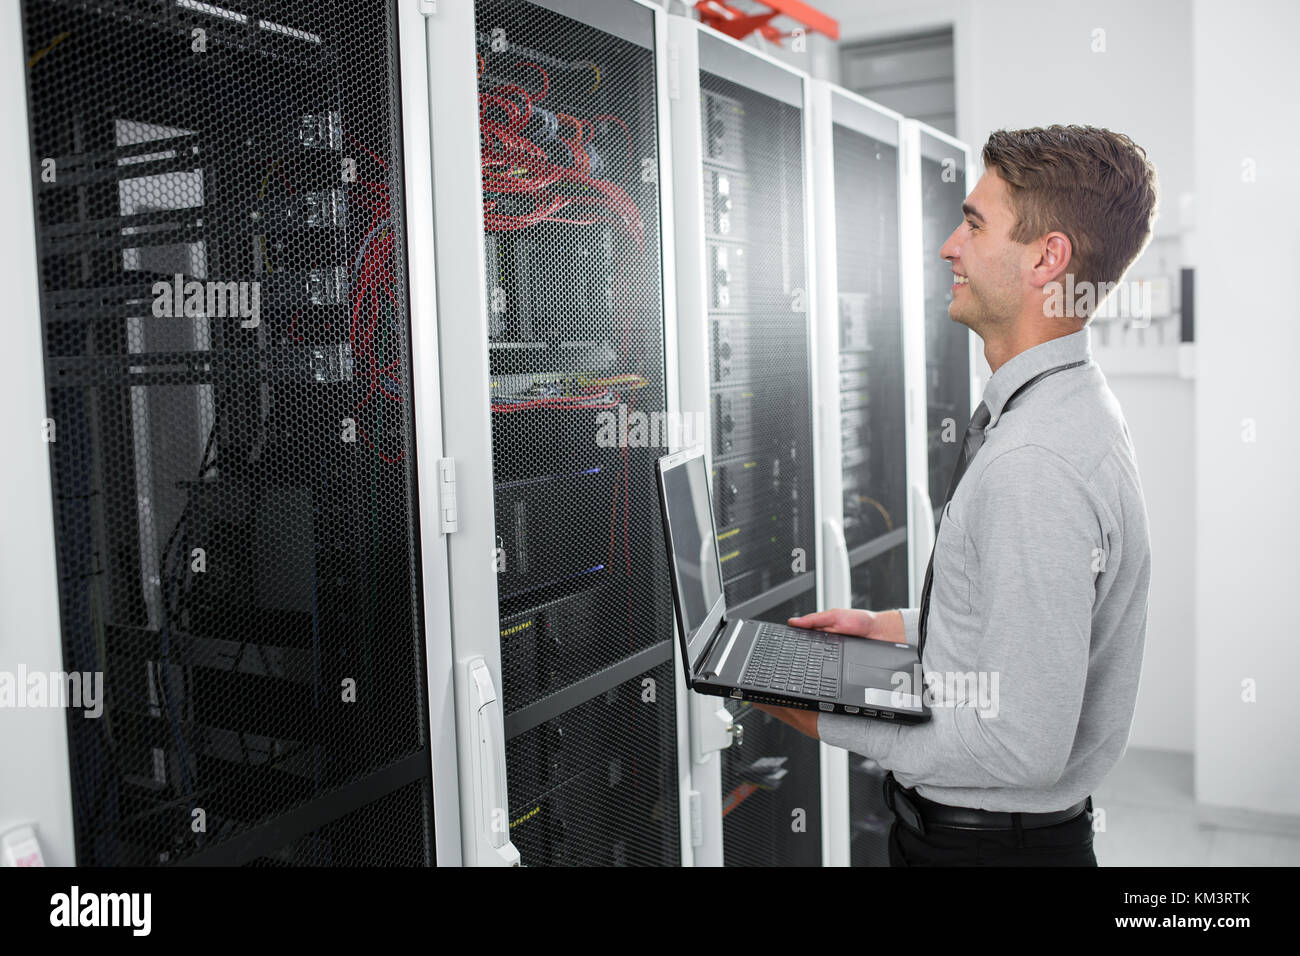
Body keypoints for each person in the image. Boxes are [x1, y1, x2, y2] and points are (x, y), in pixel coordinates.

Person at [757, 125, 1156, 866]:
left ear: (1048, 257)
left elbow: (1018, 744)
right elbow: (1034, 631)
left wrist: (821, 716)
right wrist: (899, 628)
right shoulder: (1067, 406)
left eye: (974, 224)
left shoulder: (1035, 461)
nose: (950, 246)